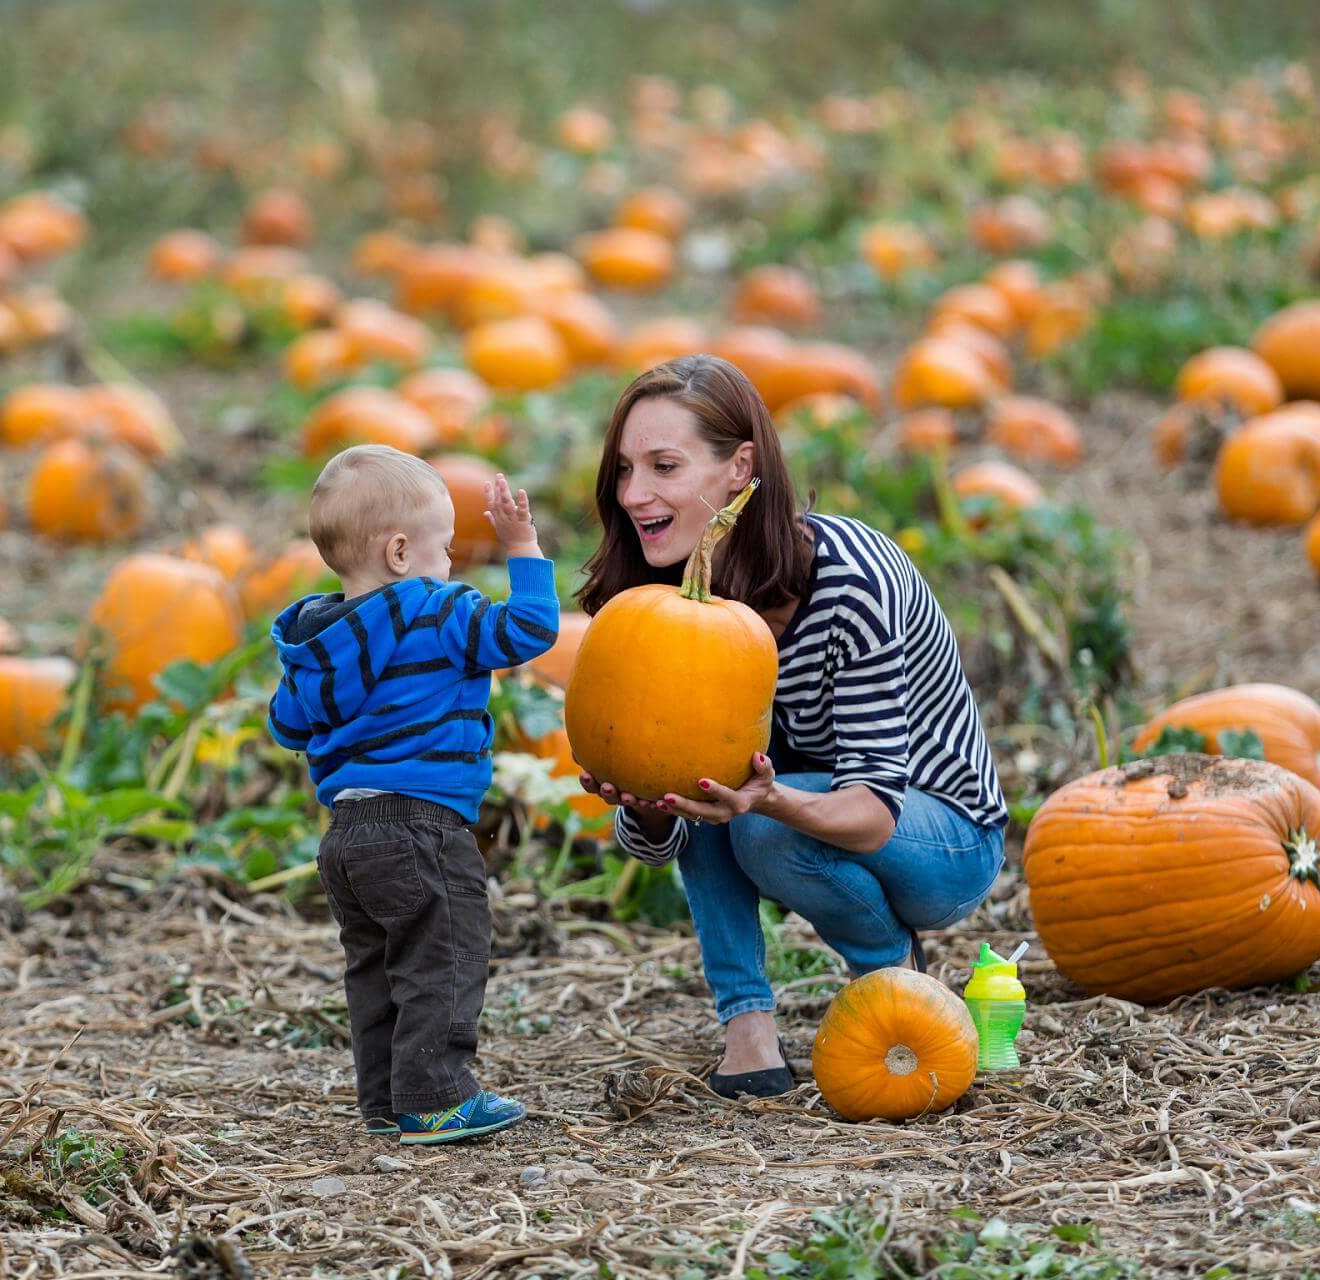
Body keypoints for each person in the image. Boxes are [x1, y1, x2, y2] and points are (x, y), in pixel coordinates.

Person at [577, 356, 1008, 1099]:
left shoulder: (853, 581)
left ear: (740, 468)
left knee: (756, 823)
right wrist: (648, 803)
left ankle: (893, 975)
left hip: (940, 835)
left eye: (663, 466)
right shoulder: (665, 598)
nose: (634, 494)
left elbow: (873, 811)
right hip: (795, 813)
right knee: (705, 783)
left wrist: (768, 801)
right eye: (623, 470)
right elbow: (660, 841)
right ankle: (747, 1029)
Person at [267, 444, 558, 1144]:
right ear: (400, 552)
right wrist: (523, 547)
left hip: (347, 836)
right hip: (422, 825)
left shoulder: (315, 641)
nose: (450, 562)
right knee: (442, 957)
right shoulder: (438, 610)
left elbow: (286, 726)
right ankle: (436, 1098)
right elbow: (530, 631)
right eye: (444, 547)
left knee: (375, 969)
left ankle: (385, 1101)